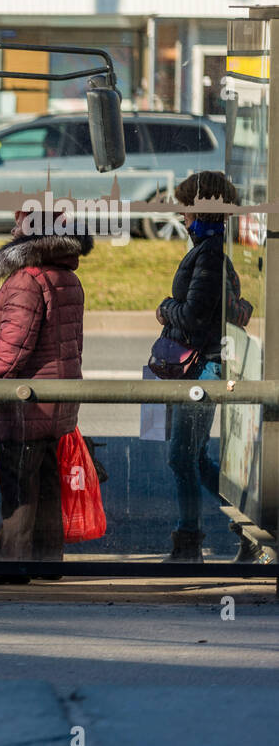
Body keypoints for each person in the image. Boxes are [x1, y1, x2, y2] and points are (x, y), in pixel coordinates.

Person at [0, 207, 92, 585]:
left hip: (26, 402)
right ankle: (47, 560)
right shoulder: (66, 277)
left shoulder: (28, 280)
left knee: (17, 482)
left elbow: (13, 347)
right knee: (44, 481)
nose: (11, 230)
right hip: (56, 399)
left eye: (18, 225)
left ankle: (11, 563)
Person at [155, 170, 246, 563]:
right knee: (196, 457)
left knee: (182, 457)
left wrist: (164, 309)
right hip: (204, 364)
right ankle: (246, 524)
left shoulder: (209, 254)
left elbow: (194, 316)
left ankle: (190, 541)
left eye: (186, 210)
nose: (182, 218)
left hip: (203, 368)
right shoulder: (211, 248)